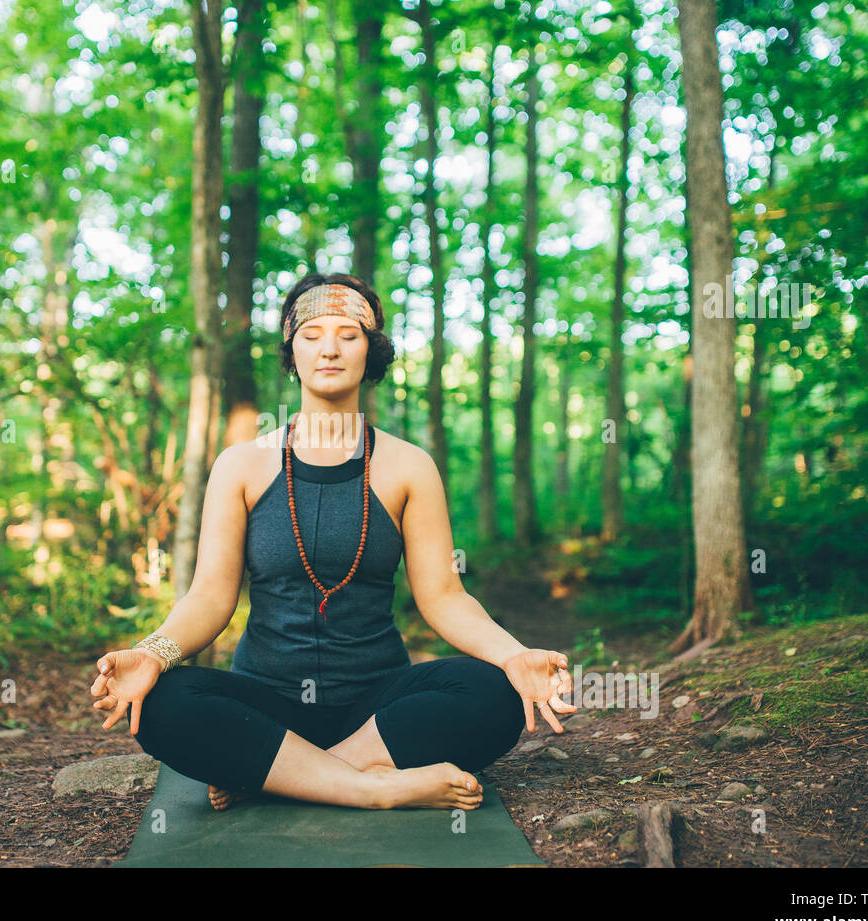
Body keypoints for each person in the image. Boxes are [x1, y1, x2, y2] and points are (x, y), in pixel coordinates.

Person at [90, 273, 576, 812]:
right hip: (267, 706)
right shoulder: (241, 465)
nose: (329, 349)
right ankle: (371, 788)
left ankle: (278, 777)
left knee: (496, 695)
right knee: (161, 704)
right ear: (291, 350)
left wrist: (514, 656)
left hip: (377, 712)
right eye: (312, 334)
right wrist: (152, 653)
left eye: (349, 334)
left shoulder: (409, 466)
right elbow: (210, 597)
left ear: (372, 351)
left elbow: (443, 597)